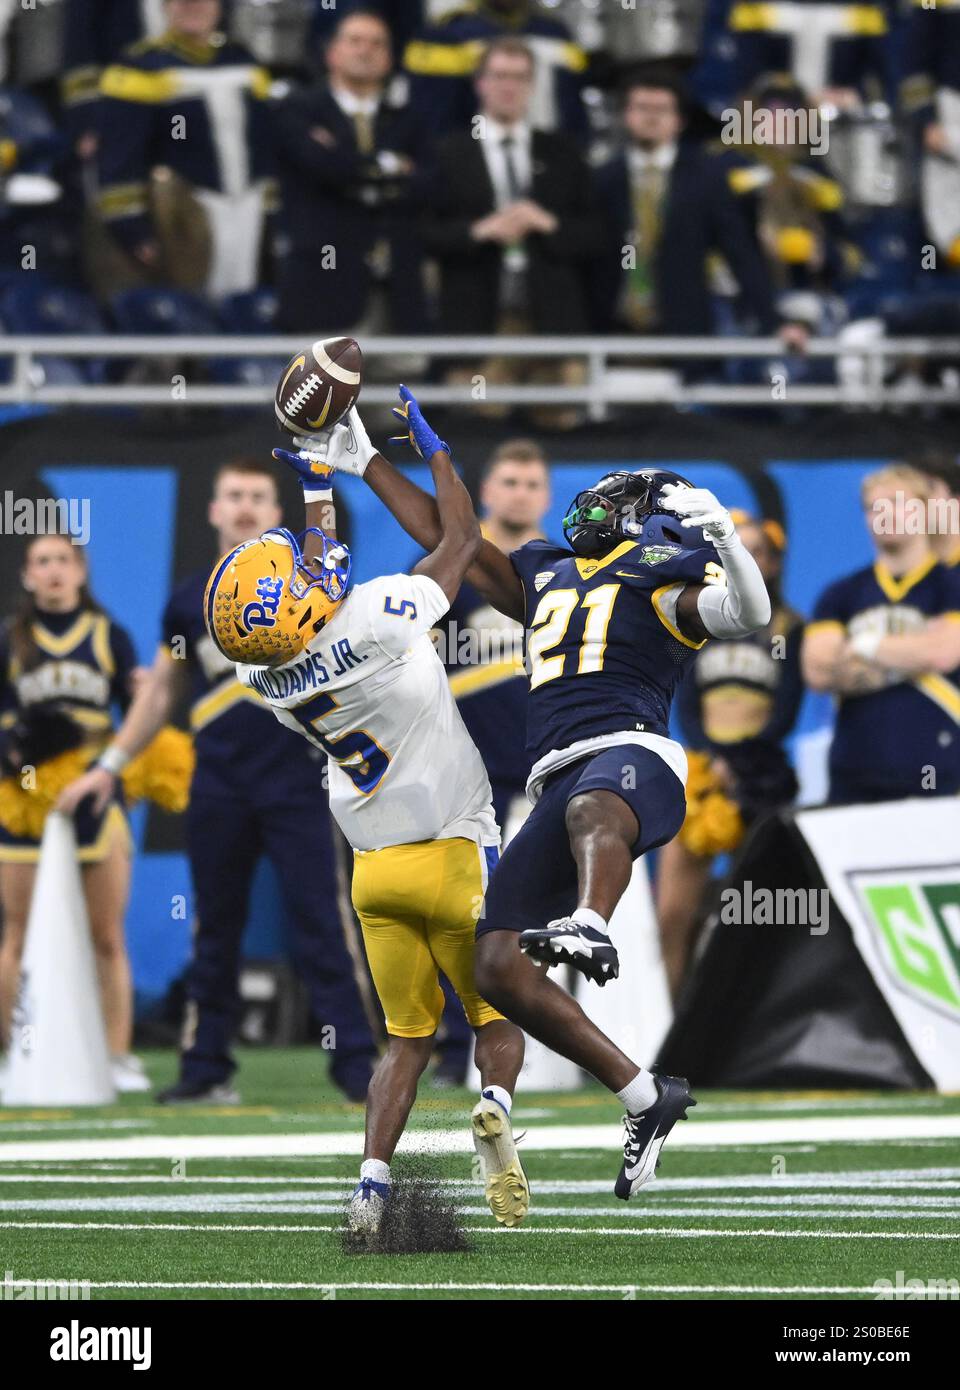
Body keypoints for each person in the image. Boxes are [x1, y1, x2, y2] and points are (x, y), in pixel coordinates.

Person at [297, 391, 775, 1199]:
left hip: (634, 756)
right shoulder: (545, 571)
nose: (600, 502)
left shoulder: (662, 584)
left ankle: (590, 920)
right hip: (557, 776)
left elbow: (748, 612)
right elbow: (453, 541)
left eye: (623, 499)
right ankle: (644, 1094)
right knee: (496, 965)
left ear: (652, 527)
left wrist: (726, 537)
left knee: (594, 810)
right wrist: (370, 464)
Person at [217, 392, 528, 1234]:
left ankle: (371, 1187)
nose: (306, 569)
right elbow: (458, 542)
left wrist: (321, 480)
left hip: (374, 873)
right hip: (456, 844)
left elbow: (310, 585)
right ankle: (495, 1103)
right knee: (500, 1015)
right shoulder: (382, 618)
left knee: (405, 1042)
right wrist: (437, 457)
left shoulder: (261, 676)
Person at [58, 460, 378, 1105]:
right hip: (221, 785)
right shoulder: (188, 601)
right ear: (212, 510)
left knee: (323, 922)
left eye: (257, 497)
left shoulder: (309, 587)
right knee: (214, 927)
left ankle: (359, 1069)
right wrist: (109, 767)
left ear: (276, 513)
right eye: (231, 496)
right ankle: (207, 1068)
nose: (243, 507)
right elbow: (161, 694)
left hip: (300, 780)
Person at [0, 535, 148, 1093]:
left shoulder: (111, 637)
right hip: (23, 796)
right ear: (27, 575)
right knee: (16, 932)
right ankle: (18, 1053)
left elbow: (139, 719)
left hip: (92, 796)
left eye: (63, 560)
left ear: (81, 571)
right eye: (42, 562)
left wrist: (140, 697)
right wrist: (14, 746)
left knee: (106, 934)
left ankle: (116, 1055)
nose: (54, 571)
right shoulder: (10, 642)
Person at [434, 436, 550, 1085]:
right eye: (509, 481)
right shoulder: (456, 570)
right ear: (486, 490)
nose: (521, 493)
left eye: (532, 483)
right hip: (471, 778)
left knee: (550, 916)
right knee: (464, 918)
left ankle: (551, 1050)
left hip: (553, 769)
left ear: (548, 494)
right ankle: (460, 1051)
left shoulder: (567, 566)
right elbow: (411, 663)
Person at [656, 511, 804, 998]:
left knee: (765, 908)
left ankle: (751, 1023)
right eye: (742, 549)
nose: (751, 559)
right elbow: (688, 703)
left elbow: (785, 710)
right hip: (703, 774)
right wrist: (710, 755)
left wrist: (739, 761)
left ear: (776, 562)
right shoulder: (702, 622)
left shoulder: (790, 627)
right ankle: (676, 1025)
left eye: (760, 551)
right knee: (673, 913)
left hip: (762, 779)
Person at [425, 36, 601, 430]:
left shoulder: (563, 152)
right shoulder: (448, 152)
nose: (510, 86)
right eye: (500, 76)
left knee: (563, 428)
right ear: (480, 83)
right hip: (476, 321)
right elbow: (425, 233)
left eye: (520, 78)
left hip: (553, 323)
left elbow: (597, 235)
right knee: (478, 430)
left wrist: (548, 223)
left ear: (532, 85)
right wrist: (479, 231)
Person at [593, 69, 805, 350]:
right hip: (608, 331)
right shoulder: (601, 180)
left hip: (684, 334)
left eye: (661, 109)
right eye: (642, 107)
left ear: (679, 120)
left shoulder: (707, 179)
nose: (651, 117)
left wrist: (774, 322)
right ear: (625, 115)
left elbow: (741, 254)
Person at [93, 0, 275, 297]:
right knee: (191, 314)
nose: (193, 6)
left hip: (249, 208)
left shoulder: (244, 60)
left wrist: (270, 207)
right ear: (165, 7)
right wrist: (132, 229)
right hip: (183, 215)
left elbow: (267, 144)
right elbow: (119, 156)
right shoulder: (138, 66)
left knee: (244, 308)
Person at [802, 464, 960, 804]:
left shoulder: (951, 585)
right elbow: (819, 670)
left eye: (898, 503)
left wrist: (862, 644)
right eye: (874, 507)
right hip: (854, 775)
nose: (884, 515)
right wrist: (913, 652)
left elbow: (943, 653)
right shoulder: (840, 594)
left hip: (941, 773)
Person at [271, 9, 432, 337]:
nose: (365, 50)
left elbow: (429, 183)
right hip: (321, 290)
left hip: (397, 294)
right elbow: (324, 168)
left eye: (377, 43)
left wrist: (349, 164)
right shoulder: (297, 109)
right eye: (355, 41)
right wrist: (390, 167)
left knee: (402, 382)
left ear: (389, 59)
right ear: (331, 53)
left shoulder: (409, 118)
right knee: (325, 388)